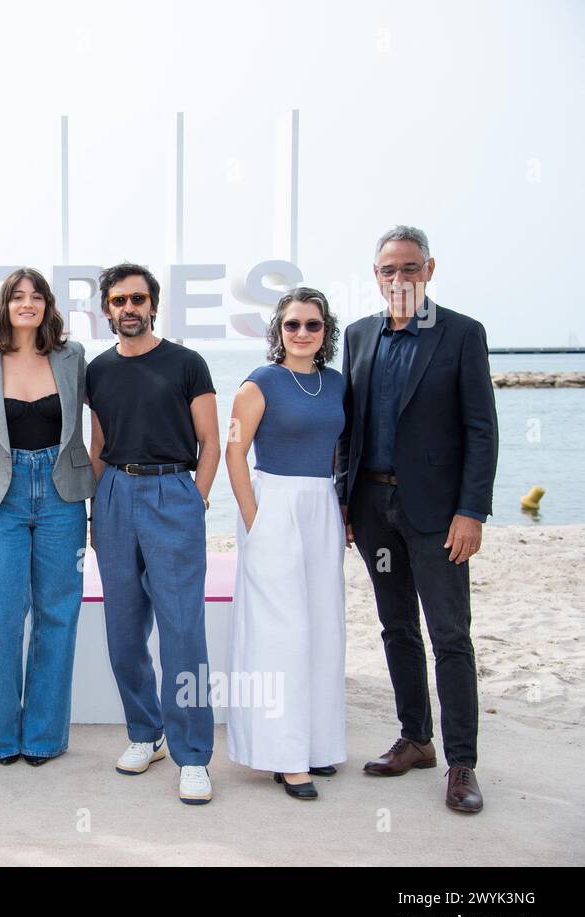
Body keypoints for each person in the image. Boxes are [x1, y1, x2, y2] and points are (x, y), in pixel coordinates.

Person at [336, 225, 498, 813]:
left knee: (450, 636)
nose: (398, 279)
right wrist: (344, 504)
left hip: (437, 514)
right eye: (387, 270)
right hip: (374, 509)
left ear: (429, 270)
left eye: (409, 268)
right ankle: (415, 739)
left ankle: (461, 764)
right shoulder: (357, 337)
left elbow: (481, 429)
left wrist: (471, 510)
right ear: (374, 275)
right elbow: (346, 429)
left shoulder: (461, 334)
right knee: (396, 627)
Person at [87, 262, 220, 806]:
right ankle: (146, 734)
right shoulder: (97, 370)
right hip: (116, 492)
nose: (129, 308)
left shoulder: (187, 363)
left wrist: (197, 500)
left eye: (138, 299)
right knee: (123, 632)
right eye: (119, 300)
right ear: (107, 310)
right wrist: (99, 508)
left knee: (183, 632)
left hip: (173, 492)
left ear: (153, 305)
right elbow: (96, 445)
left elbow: (210, 441)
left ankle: (193, 756)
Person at [0, 268, 94, 766]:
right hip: (2, 495)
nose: (28, 303)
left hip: (63, 495)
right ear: (5, 305)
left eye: (36, 296)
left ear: (47, 305)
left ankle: (42, 738)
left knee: (57, 616)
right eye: (18, 296)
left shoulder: (72, 356)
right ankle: (2, 740)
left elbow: (102, 418)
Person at [225, 287, 346, 800]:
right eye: (292, 324)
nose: (302, 333)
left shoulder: (337, 383)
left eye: (312, 325)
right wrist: (255, 519)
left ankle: (315, 747)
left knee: (323, 628)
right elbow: (234, 454)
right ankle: (283, 757)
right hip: (274, 504)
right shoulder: (260, 383)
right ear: (278, 331)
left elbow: (339, 449)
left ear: (325, 332)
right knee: (282, 634)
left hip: (322, 507)